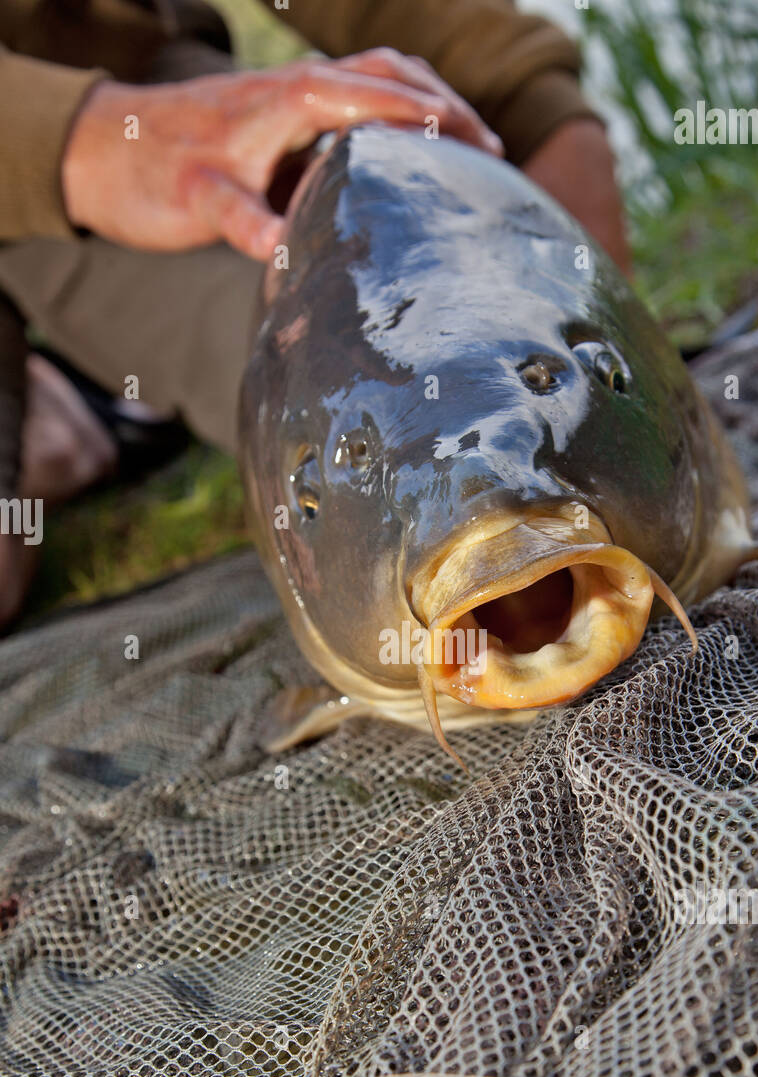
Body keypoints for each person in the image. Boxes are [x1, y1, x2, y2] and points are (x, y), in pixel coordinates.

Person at [0, 0, 630, 625]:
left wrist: (531, 103)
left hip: (101, 67)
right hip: (59, 144)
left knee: (371, 404)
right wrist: (70, 141)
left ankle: (93, 397)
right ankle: (77, 407)